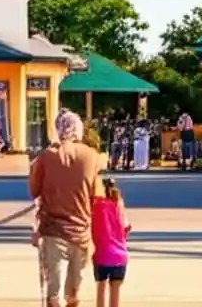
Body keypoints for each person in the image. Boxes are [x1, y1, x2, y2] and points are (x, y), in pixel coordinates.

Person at [29, 109, 103, 307]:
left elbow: (34, 190)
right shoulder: (92, 156)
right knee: (74, 293)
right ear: (78, 130)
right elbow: (97, 194)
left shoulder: (45, 157)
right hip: (81, 232)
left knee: (53, 292)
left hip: (52, 231)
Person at [91, 178, 131, 307]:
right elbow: (127, 227)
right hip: (119, 255)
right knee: (115, 290)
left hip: (101, 254)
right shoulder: (119, 204)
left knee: (100, 287)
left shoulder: (95, 205)